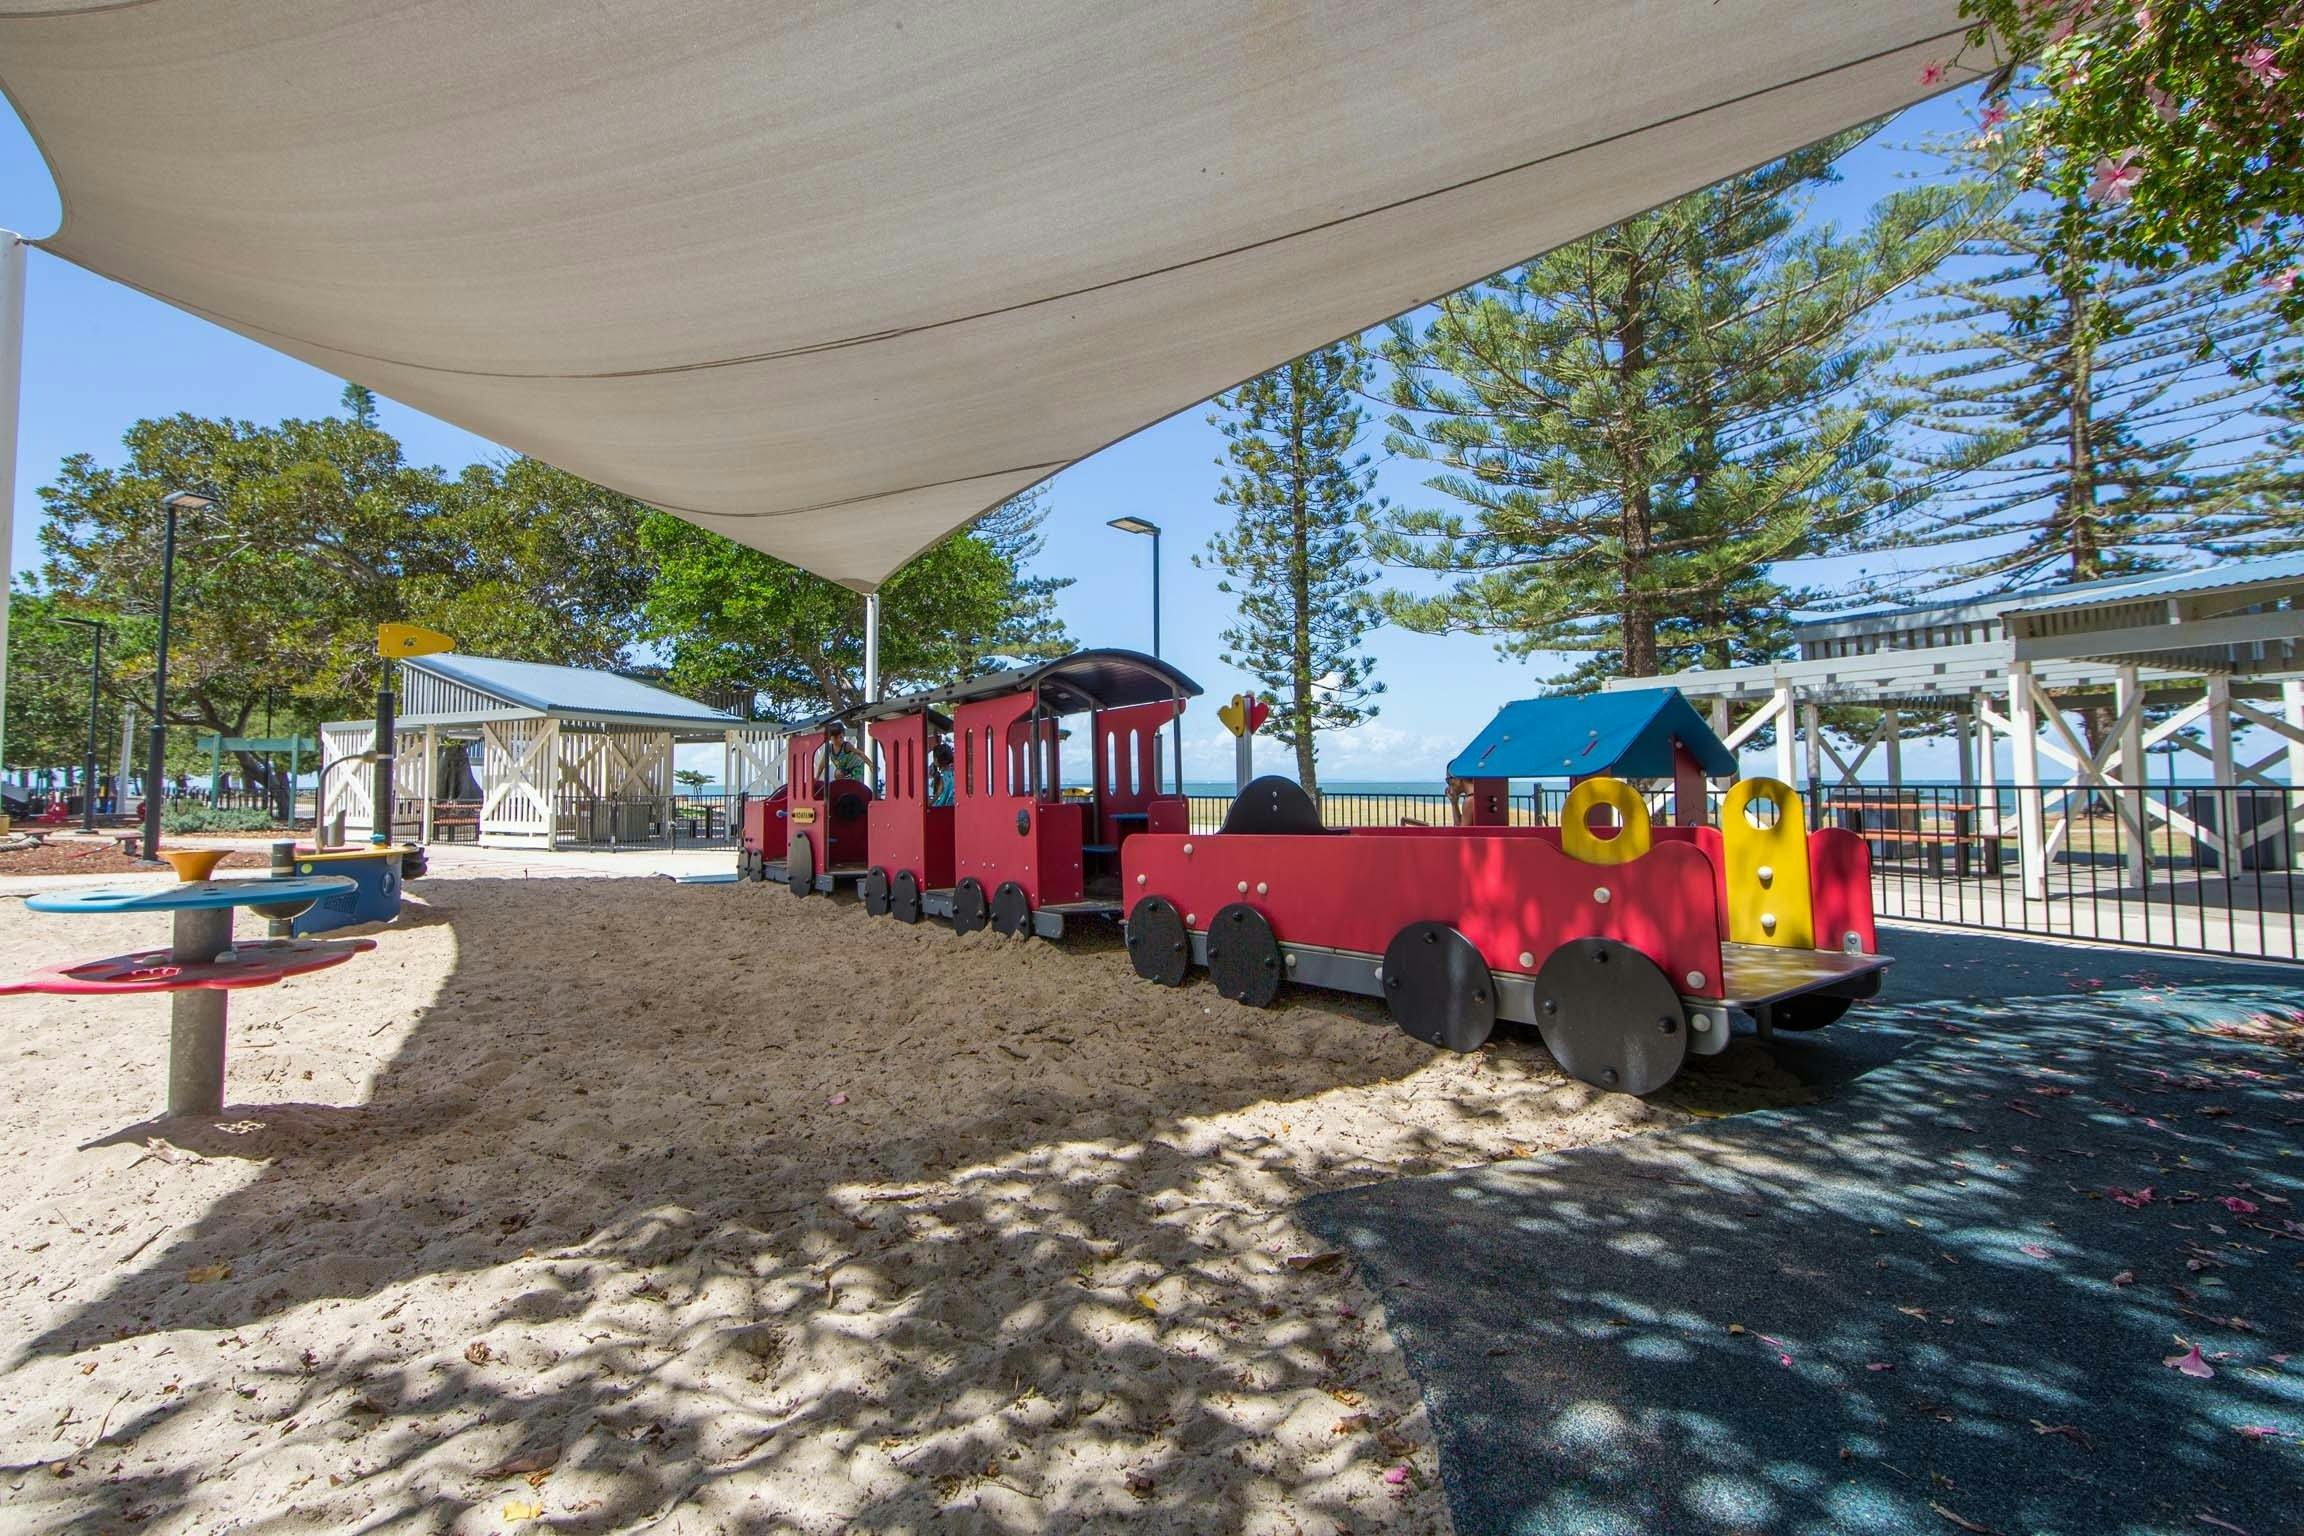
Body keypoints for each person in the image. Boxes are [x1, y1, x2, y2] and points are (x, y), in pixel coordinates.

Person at [812, 720, 871, 793]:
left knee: (850, 781)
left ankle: (851, 791)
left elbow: (860, 753)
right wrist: (817, 778)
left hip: (855, 767)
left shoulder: (846, 746)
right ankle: (841, 789)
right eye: (835, 738)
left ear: (843, 736)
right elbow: (822, 765)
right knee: (838, 773)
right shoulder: (829, 749)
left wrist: (870, 764)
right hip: (844, 769)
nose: (838, 740)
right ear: (831, 738)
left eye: (841, 737)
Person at [926, 740, 956, 808]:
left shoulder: (944, 777)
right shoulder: (954, 774)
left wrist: (929, 805)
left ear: (936, 760)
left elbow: (939, 795)